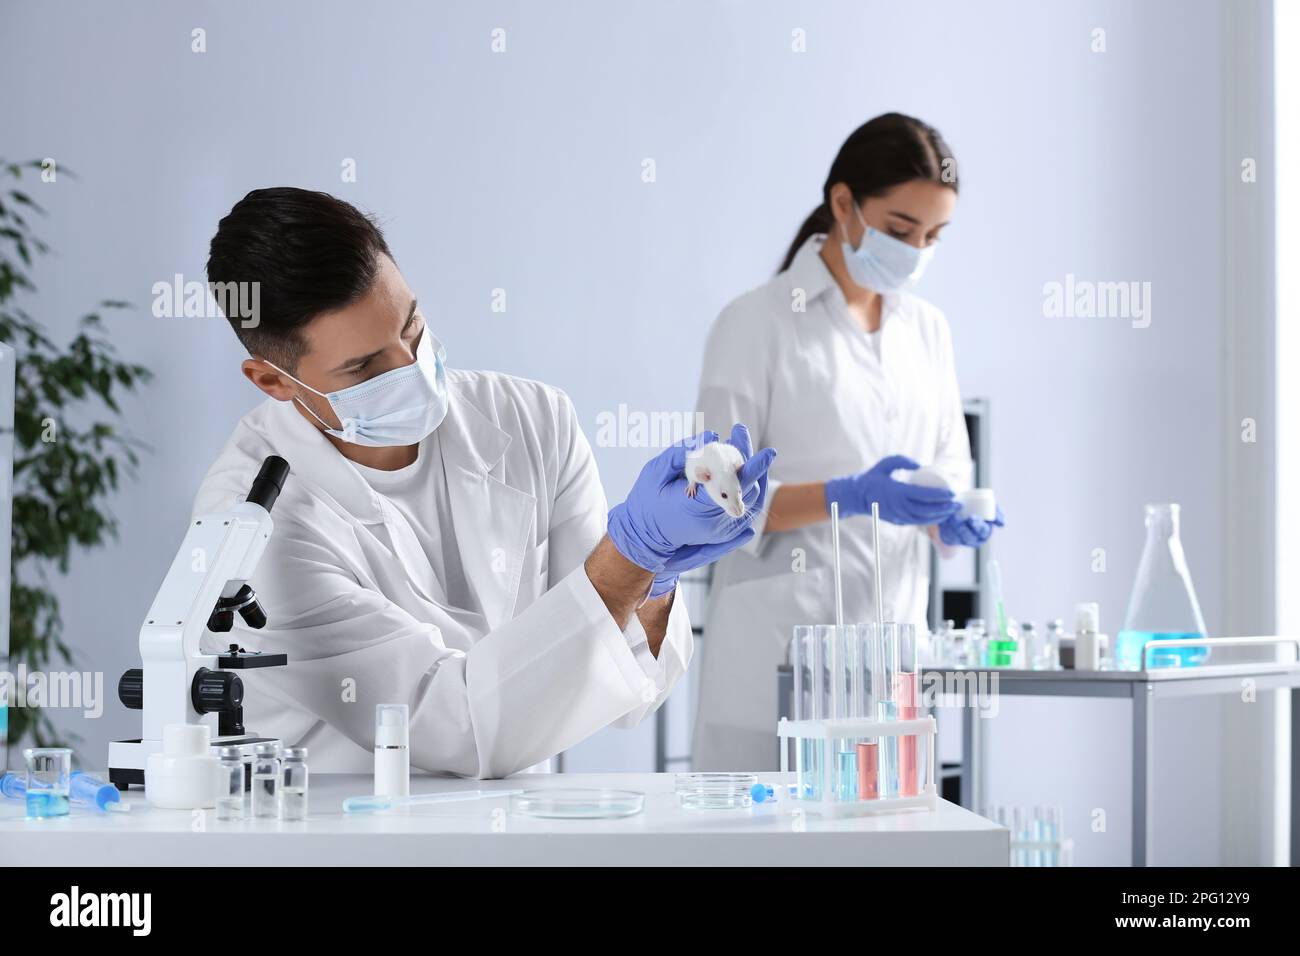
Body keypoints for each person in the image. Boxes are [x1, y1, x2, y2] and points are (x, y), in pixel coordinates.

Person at [198, 188, 774, 778]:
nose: (412, 368)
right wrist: (631, 555)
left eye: (412, 325)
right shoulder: (251, 527)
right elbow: (457, 730)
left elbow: (628, 684)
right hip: (349, 835)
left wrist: (654, 575)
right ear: (273, 381)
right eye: (365, 366)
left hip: (516, 823)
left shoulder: (532, 419)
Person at [690, 113, 1003, 772]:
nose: (917, 251)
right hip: (774, 671)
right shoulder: (755, 324)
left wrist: (955, 519)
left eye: (933, 235)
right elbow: (711, 504)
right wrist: (848, 496)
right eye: (900, 230)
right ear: (843, 204)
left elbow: (945, 474)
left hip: (892, 672)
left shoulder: (928, 332)